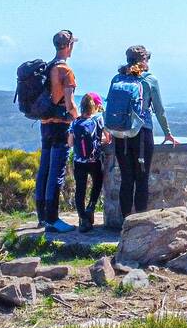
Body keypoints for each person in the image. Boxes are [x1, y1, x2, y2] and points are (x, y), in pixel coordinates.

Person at [111, 45, 177, 219]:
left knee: (126, 179)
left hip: (120, 135)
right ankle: (138, 225)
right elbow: (159, 110)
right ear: (144, 61)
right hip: (142, 133)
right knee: (141, 179)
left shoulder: (117, 78)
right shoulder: (149, 80)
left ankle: (125, 222)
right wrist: (167, 133)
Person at [34, 30, 78, 233]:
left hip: (45, 124)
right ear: (69, 46)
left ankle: (42, 216)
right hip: (61, 125)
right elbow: (69, 104)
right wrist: (79, 121)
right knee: (56, 172)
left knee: (44, 168)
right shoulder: (65, 71)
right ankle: (53, 219)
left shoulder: (48, 67)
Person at [69, 92, 108, 232]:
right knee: (97, 183)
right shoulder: (98, 120)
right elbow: (108, 138)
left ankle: (83, 219)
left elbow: (70, 143)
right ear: (93, 107)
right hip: (94, 161)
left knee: (80, 189)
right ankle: (91, 207)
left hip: (79, 162)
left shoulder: (75, 122)